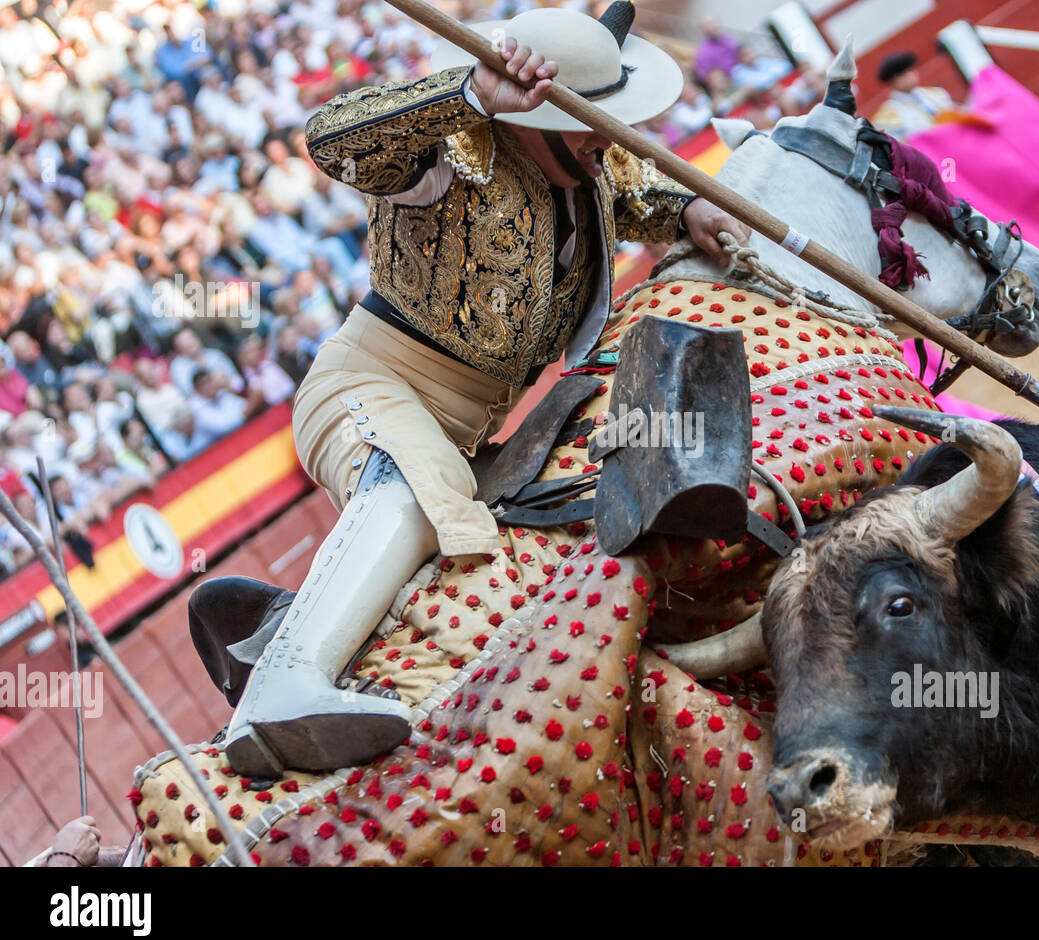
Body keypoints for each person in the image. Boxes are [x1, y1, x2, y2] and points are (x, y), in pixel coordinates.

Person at [199, 2, 750, 777]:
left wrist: (690, 208)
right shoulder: (449, 154)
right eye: (594, 118)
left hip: (475, 432)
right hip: (371, 384)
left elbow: (642, 192)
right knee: (414, 493)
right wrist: (473, 95)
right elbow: (335, 138)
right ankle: (283, 683)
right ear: (537, 112)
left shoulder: (590, 165)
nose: (612, 135)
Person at [871, 50, 990, 140]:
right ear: (893, 82)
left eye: (910, 71)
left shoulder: (936, 93)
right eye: (903, 75)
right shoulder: (888, 115)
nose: (910, 76)